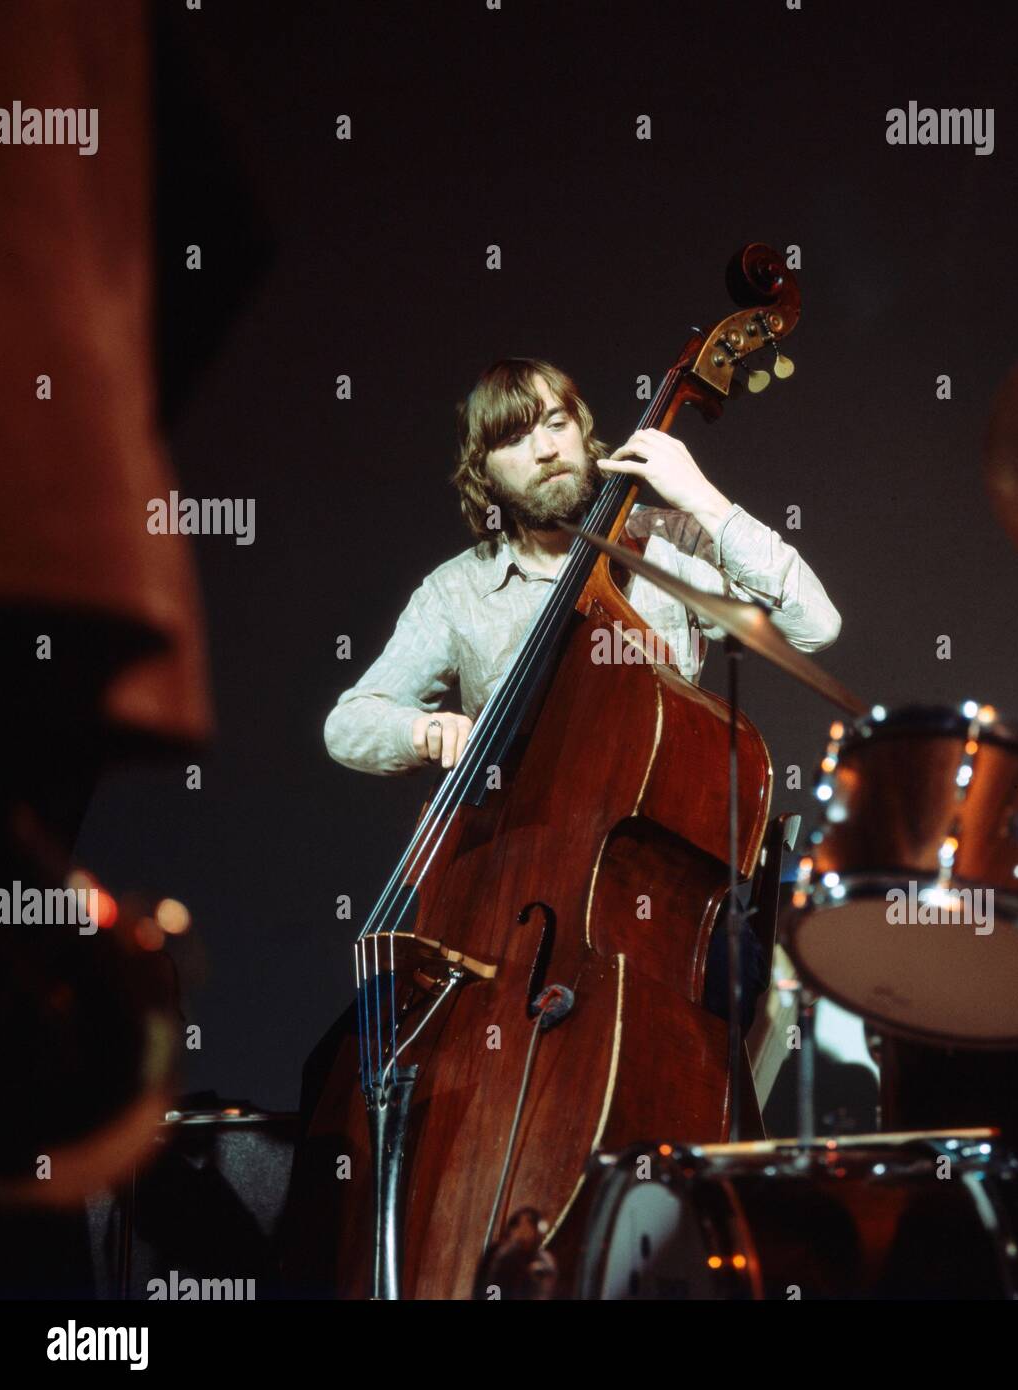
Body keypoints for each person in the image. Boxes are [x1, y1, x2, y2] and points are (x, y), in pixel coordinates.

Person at [323, 356, 842, 1023]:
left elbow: (815, 625)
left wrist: (703, 500)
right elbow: (349, 723)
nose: (545, 450)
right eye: (513, 440)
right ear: (482, 472)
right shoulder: (456, 590)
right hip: (519, 892)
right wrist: (427, 730)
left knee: (726, 987)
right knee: (348, 1057)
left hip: (657, 881)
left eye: (556, 423)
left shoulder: (669, 542)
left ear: (582, 428)